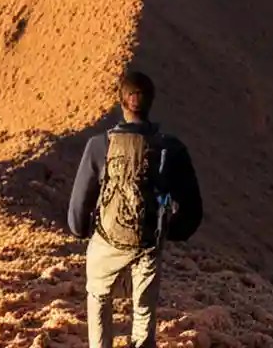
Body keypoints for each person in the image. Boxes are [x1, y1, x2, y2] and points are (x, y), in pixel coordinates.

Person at [67, 70, 203, 348]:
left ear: (122, 103)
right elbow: (193, 210)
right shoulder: (170, 148)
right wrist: (167, 232)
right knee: (143, 310)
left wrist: (82, 230)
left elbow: (79, 206)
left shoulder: (99, 145)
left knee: (98, 297)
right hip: (147, 242)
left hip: (106, 240)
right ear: (151, 102)